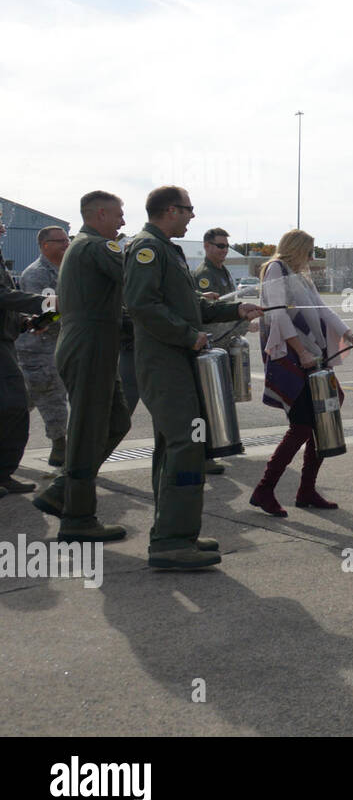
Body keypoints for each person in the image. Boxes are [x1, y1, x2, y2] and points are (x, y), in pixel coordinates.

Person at [124, 186, 262, 569]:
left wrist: (235, 310)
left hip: (176, 360)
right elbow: (142, 305)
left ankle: (176, 531)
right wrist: (188, 336)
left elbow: (188, 306)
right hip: (164, 362)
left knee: (176, 446)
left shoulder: (167, 250)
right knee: (186, 444)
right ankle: (170, 542)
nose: (192, 216)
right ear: (171, 210)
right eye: (188, 209)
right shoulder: (147, 248)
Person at [32, 193, 132, 540]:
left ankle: (63, 490)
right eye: (119, 215)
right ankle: (78, 518)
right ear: (100, 214)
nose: (122, 222)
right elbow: (137, 279)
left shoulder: (84, 247)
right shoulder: (96, 247)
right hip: (90, 347)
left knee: (117, 421)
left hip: (92, 346)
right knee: (88, 432)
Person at [251, 229, 353, 516]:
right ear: (297, 248)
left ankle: (306, 490)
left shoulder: (300, 275)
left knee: (324, 413)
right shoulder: (276, 270)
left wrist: (349, 335)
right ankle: (265, 489)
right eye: (310, 252)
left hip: (312, 355)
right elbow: (278, 314)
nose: (312, 258)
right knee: (302, 425)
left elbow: (322, 309)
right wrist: (301, 351)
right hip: (292, 356)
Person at [192, 227, 247, 476]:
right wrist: (242, 324)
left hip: (223, 344)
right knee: (205, 402)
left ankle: (218, 445)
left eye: (227, 246)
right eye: (220, 246)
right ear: (206, 246)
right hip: (211, 345)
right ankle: (204, 454)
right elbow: (208, 315)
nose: (225, 250)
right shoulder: (204, 275)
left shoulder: (222, 271)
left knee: (221, 399)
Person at [0, 219, 49, 499]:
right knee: (13, 405)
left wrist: (25, 322)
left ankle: (3, 473)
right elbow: (2, 295)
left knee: (15, 406)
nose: (2, 227)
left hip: (6, 341)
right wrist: (46, 303)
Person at [18, 226, 70, 466]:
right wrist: (73, 311)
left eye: (67, 240)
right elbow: (47, 313)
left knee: (24, 401)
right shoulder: (37, 274)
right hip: (38, 348)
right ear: (45, 245)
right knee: (51, 395)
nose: (66, 244)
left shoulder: (66, 269)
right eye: (61, 241)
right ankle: (60, 448)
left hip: (56, 345)